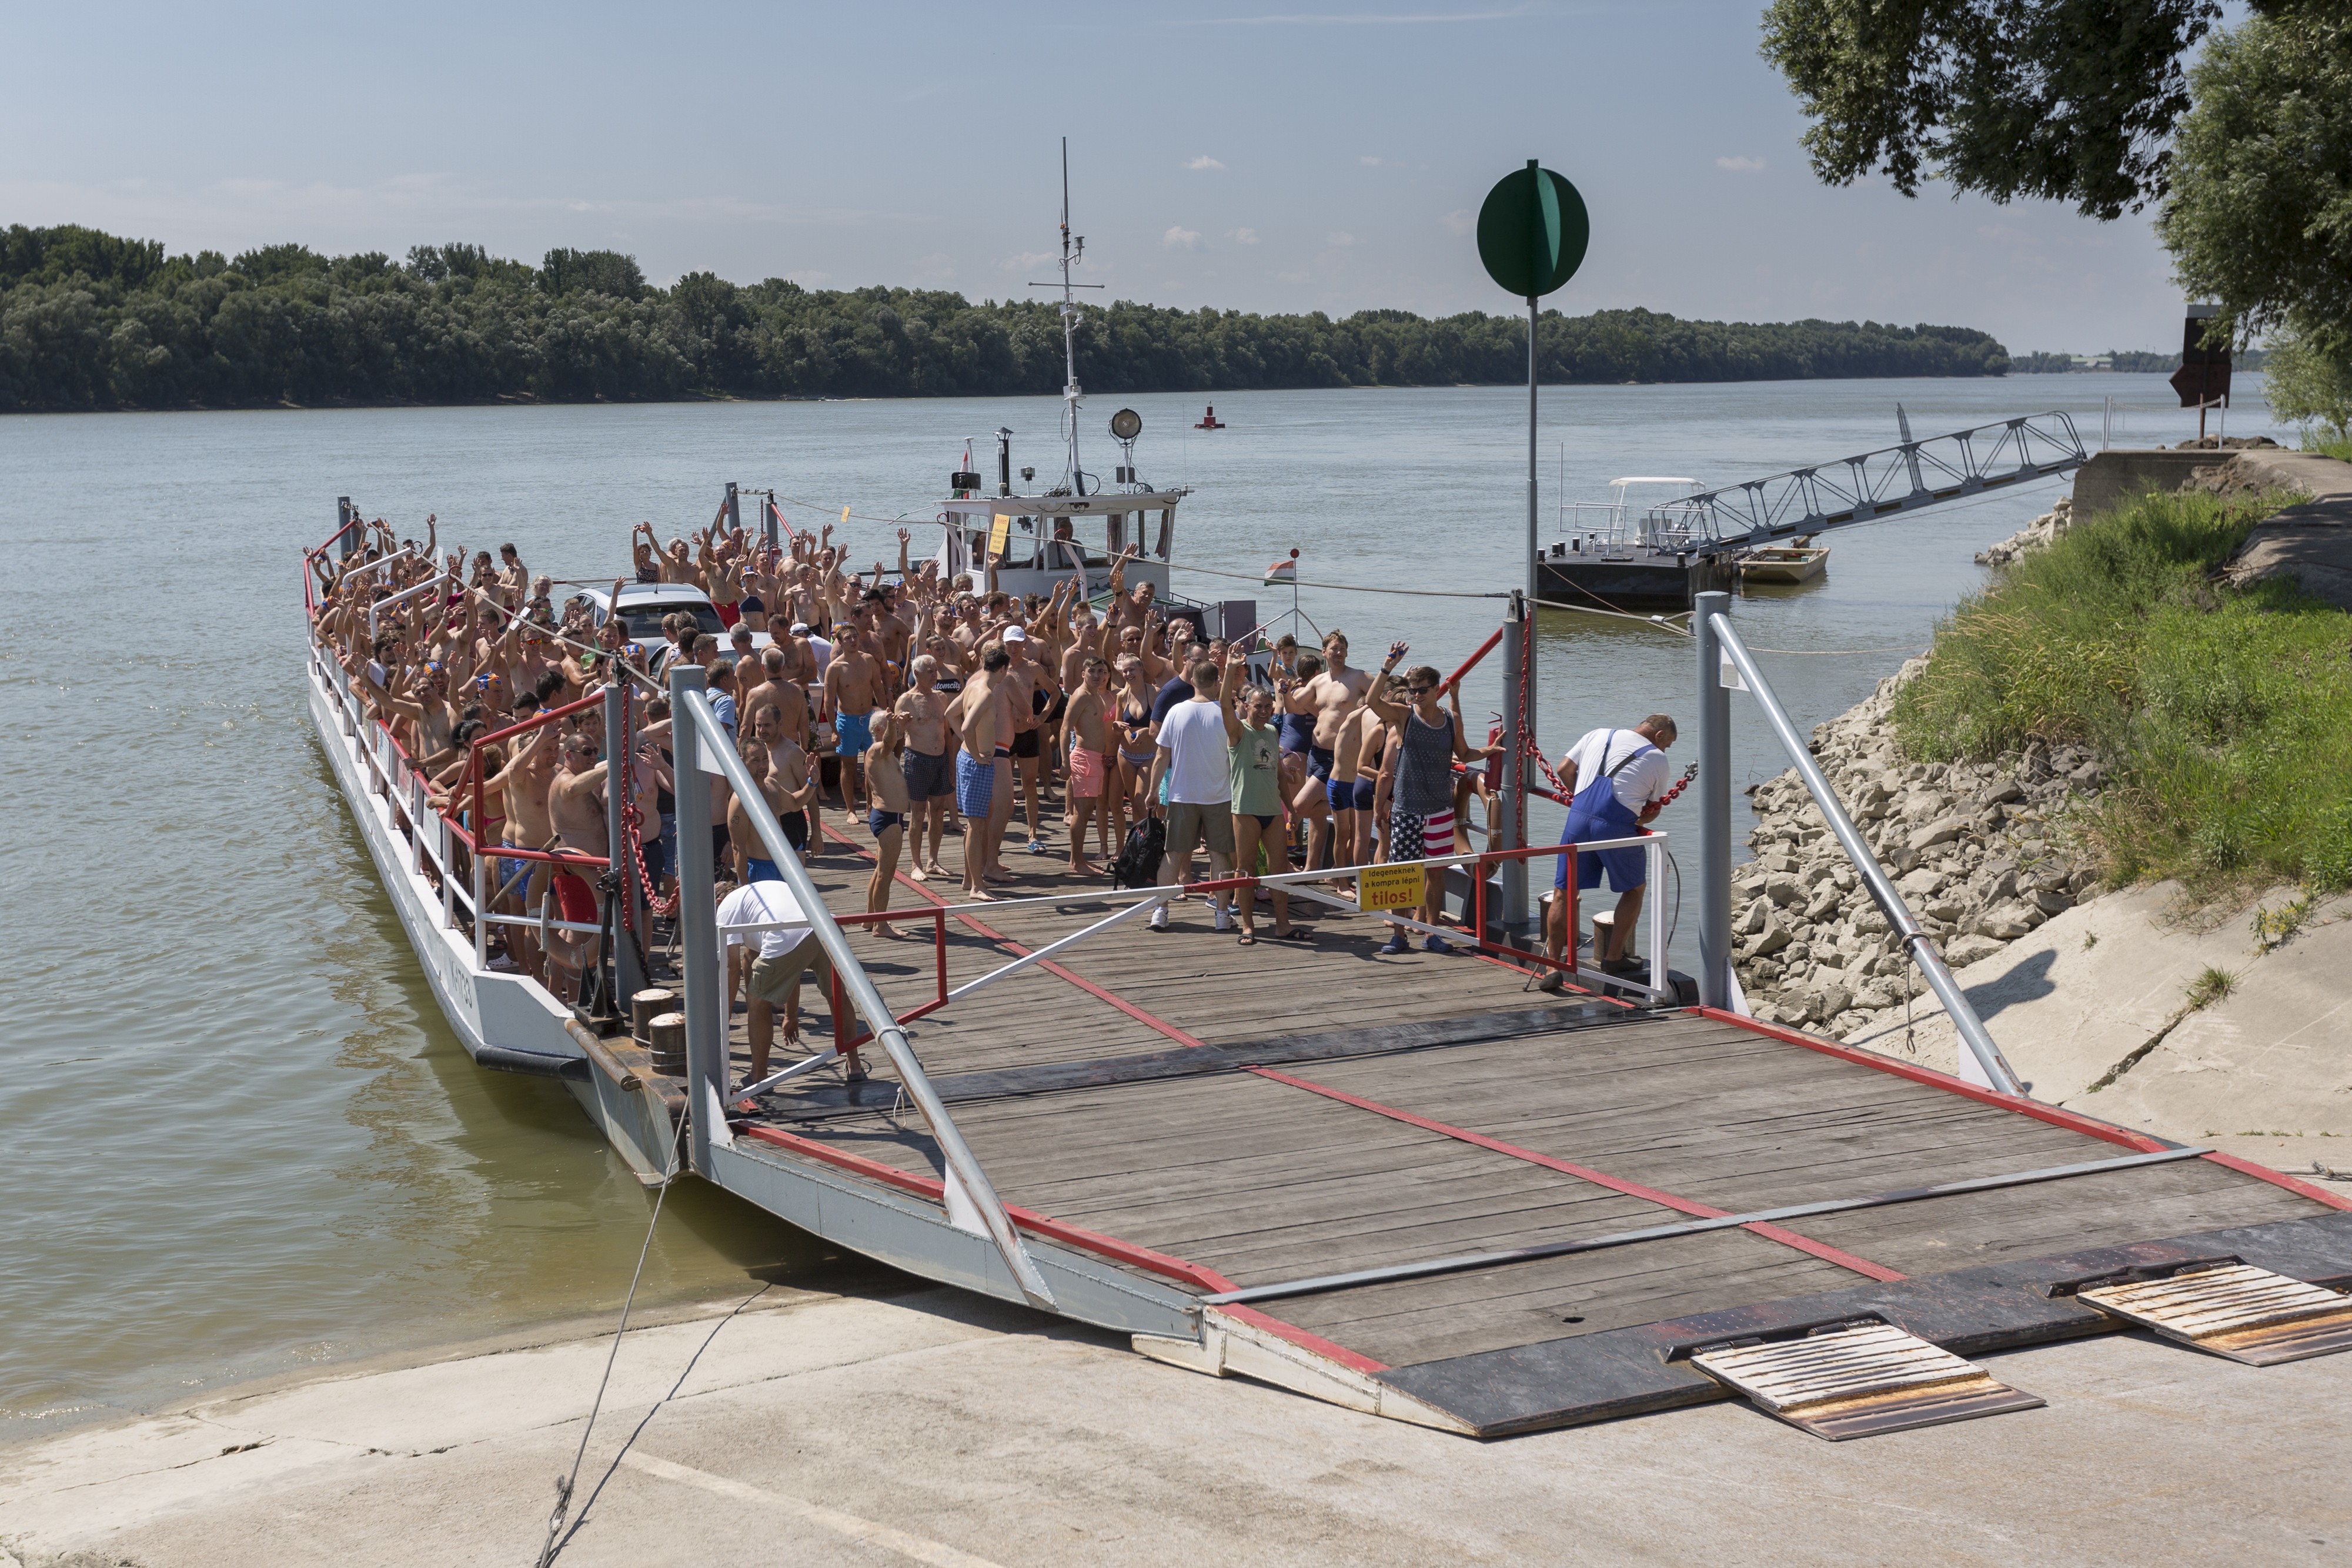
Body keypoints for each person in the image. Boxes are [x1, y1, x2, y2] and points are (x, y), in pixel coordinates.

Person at [1363, 644, 1501, 957]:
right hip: (1406, 811)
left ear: (1436, 689)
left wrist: (1489, 751)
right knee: (1402, 873)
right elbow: (1372, 702)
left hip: (1440, 811)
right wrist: (1386, 667)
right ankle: (1399, 935)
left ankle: (1431, 933)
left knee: (1436, 873)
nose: (1416, 696)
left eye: (1422, 690)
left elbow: (1464, 753)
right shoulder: (1404, 716)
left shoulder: (1450, 719)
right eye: (1413, 691)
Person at [1544, 714, 1677, 987]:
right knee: (1635, 889)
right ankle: (1613, 957)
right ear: (1660, 735)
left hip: (1577, 820)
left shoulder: (1598, 733)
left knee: (1563, 893)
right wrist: (1631, 818)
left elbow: (1564, 769)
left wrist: (1583, 801)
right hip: (1616, 828)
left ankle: (1552, 967)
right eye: (1668, 744)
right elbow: (1653, 810)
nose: (1665, 749)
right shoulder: (1657, 758)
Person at [716, 877, 845, 1103]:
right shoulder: (761, 896)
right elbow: (789, 968)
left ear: (718, 900)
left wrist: (722, 1021)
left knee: (757, 1003)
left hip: (789, 935)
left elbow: (731, 968)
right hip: (827, 925)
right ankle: (854, 1064)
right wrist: (790, 1015)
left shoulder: (725, 907)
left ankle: (758, 1078)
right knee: (838, 997)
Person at [1146, 653, 1239, 932]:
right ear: (1216, 682)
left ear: (1193, 682)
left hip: (1182, 795)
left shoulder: (1176, 712)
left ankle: (1160, 910)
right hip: (1218, 796)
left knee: (1173, 854)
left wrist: (1153, 791)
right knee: (1220, 855)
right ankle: (1221, 914)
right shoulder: (1226, 713)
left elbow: (1161, 756)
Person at [1228, 670, 1306, 944]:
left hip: (1272, 810)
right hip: (1246, 810)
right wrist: (1230, 669)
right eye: (1258, 706)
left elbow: (1279, 775)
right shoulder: (1238, 731)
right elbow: (1225, 707)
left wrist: (1292, 808)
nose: (1263, 711)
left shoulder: (1273, 731)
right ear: (1246, 706)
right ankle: (1247, 926)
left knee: (1279, 868)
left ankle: (1283, 925)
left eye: (1268, 707)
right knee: (1245, 869)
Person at [954, 645, 1014, 898]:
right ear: (1002, 669)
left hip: (968, 759)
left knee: (976, 823)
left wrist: (968, 748)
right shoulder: (987, 693)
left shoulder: (973, 685)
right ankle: (976, 886)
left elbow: (950, 714)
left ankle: (970, 879)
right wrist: (977, 754)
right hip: (976, 763)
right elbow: (966, 727)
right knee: (977, 825)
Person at [894, 654, 959, 880]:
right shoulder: (906, 700)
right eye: (930, 671)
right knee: (918, 814)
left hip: (940, 759)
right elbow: (895, 736)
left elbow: (946, 732)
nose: (934, 675)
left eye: (935, 671)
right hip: (917, 759)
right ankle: (916, 864)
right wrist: (901, 727)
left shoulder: (941, 697)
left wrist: (951, 762)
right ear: (917, 673)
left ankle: (933, 860)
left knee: (938, 812)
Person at [1061, 654, 1115, 875]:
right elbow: (1065, 728)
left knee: (1085, 812)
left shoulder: (1097, 695)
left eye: (1102, 671)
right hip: (1084, 759)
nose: (1097, 675)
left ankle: (1079, 859)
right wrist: (1065, 761)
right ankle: (1076, 862)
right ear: (1083, 674)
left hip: (1096, 759)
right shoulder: (1081, 696)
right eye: (1092, 671)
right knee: (1081, 813)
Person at [864, 708, 912, 936]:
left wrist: (902, 725)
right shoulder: (877, 750)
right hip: (888, 818)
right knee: (886, 873)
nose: (895, 726)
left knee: (881, 870)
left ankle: (869, 918)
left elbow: (894, 740)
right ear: (878, 730)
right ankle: (880, 925)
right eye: (889, 723)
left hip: (891, 817)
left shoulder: (885, 754)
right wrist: (894, 726)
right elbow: (889, 742)